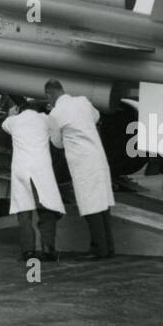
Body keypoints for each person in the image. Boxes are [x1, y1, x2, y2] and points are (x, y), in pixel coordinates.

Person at [45, 79, 116, 259]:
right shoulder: (83, 101)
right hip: (98, 157)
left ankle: (98, 249)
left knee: (91, 205)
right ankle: (108, 247)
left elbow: (57, 143)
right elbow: (96, 117)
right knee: (103, 203)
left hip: (82, 162)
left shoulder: (55, 114)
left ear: (49, 95)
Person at [1, 101, 65, 263]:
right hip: (41, 169)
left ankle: (28, 251)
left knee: (24, 210)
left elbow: (4, 125)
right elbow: (57, 133)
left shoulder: (14, 121)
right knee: (47, 208)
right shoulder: (45, 119)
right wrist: (52, 110)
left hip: (21, 169)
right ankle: (48, 249)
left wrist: (11, 114)